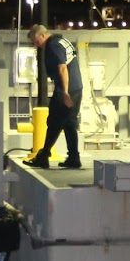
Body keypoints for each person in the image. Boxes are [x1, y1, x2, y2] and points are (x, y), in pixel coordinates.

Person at [27, 24, 83, 169]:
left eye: (36, 41)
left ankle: (44, 156)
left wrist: (64, 92)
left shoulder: (53, 46)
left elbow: (62, 68)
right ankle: (73, 158)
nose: (37, 45)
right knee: (69, 123)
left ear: (42, 35)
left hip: (66, 89)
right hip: (77, 87)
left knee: (53, 122)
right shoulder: (62, 41)